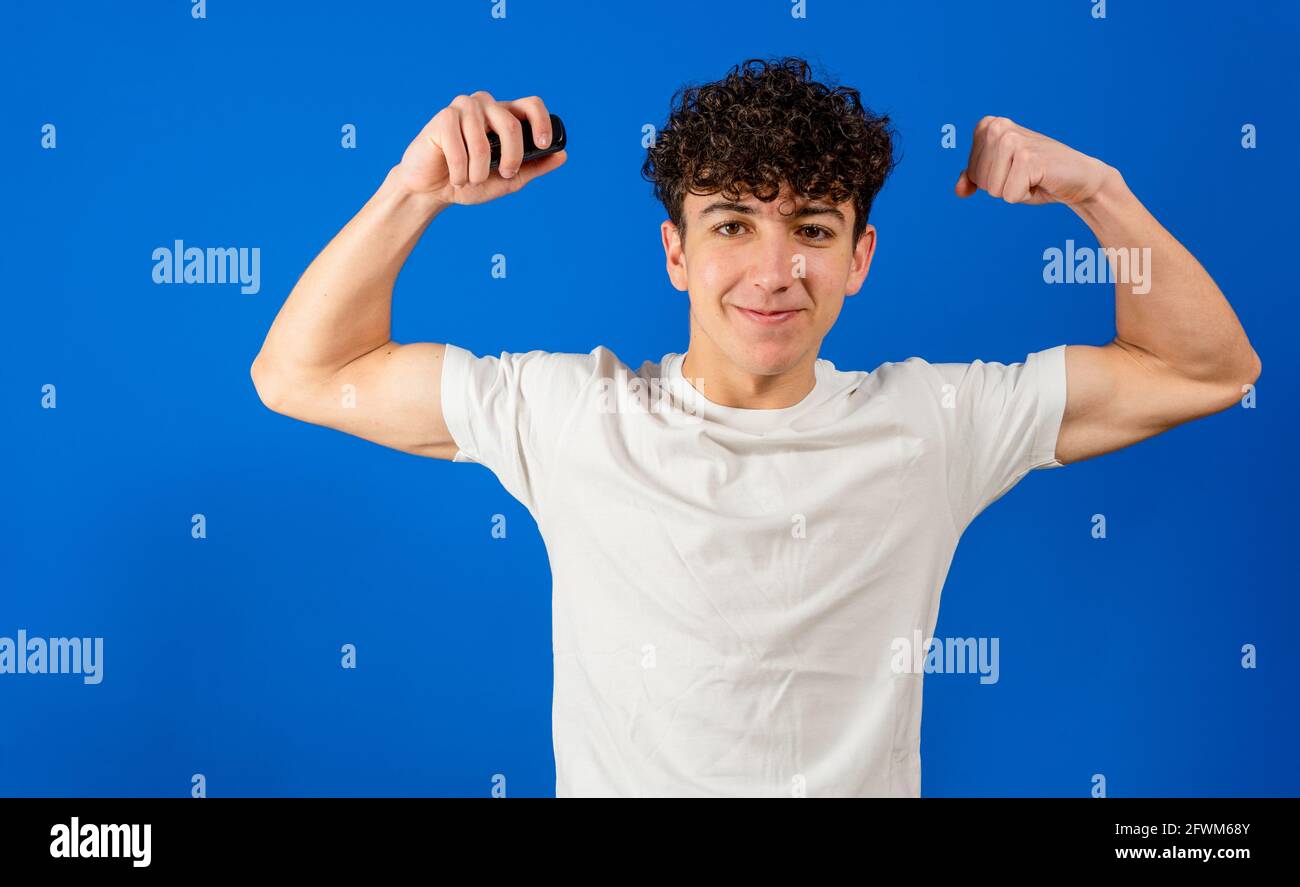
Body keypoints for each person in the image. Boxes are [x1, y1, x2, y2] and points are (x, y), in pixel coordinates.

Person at [250, 57, 1260, 797]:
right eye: (732, 222)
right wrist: (412, 192)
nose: (774, 272)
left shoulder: (937, 422)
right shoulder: (568, 415)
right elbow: (301, 373)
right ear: (676, 254)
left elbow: (1207, 367)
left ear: (859, 256)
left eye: (813, 229)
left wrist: (1100, 192)